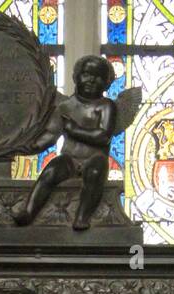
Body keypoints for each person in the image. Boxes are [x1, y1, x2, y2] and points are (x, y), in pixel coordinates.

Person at [13, 54, 118, 231]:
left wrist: (74, 129)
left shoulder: (106, 106)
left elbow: (103, 136)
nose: (92, 80)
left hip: (95, 158)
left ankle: (82, 216)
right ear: (76, 77)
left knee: (94, 174)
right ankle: (29, 211)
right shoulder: (66, 106)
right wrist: (29, 147)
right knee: (50, 171)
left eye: (99, 76)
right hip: (70, 158)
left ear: (106, 83)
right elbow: (50, 135)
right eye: (86, 74)